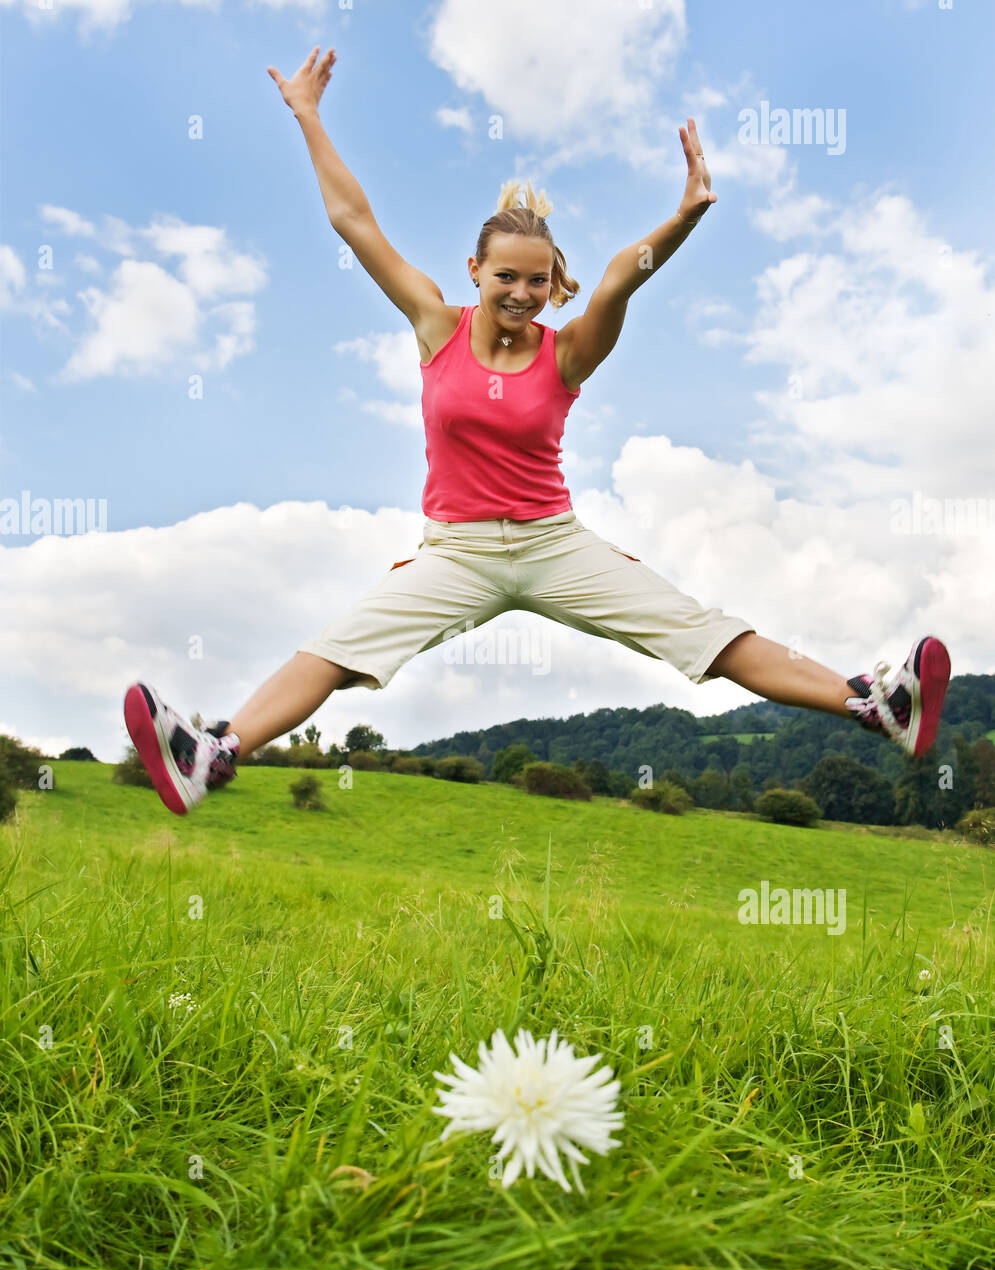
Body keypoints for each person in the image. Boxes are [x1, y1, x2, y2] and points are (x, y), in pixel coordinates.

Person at [124, 45, 950, 817]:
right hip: (456, 551)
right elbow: (354, 222)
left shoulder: (569, 353)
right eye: (506, 276)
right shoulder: (433, 325)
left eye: (538, 280)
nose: (521, 292)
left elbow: (624, 277)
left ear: (555, 286)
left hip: (554, 544)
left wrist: (684, 217)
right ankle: (212, 752)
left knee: (698, 630)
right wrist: (306, 112)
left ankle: (874, 704)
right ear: (474, 272)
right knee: (341, 647)